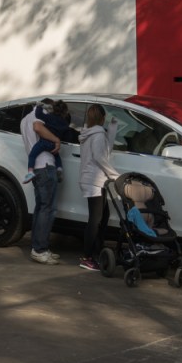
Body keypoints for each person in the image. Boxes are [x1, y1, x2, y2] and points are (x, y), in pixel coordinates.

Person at [20, 99, 72, 264]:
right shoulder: (39, 115)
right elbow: (38, 127)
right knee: (48, 209)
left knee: (41, 208)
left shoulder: (24, 120)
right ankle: (40, 250)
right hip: (45, 166)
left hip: (37, 168)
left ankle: (38, 246)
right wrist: (56, 139)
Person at [77, 104, 120, 271]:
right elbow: (100, 157)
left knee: (103, 216)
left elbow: (105, 150)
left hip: (92, 179)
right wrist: (115, 175)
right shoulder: (98, 135)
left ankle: (97, 250)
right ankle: (87, 257)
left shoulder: (90, 133)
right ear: (102, 118)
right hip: (94, 180)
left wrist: (113, 127)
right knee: (95, 220)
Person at [23, 100, 79, 182]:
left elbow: (38, 114)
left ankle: (30, 172)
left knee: (32, 155)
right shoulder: (64, 123)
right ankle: (59, 169)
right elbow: (68, 136)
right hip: (53, 145)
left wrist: (40, 106)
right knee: (57, 156)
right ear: (65, 112)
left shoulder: (49, 117)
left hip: (44, 142)